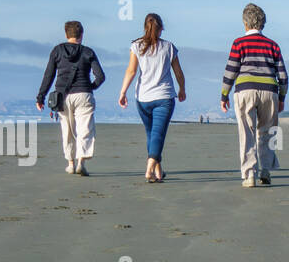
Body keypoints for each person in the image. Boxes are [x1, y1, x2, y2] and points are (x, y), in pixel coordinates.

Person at [220, 3, 288, 188]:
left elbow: (231, 71)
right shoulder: (273, 45)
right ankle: (265, 171)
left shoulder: (239, 43)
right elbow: (282, 75)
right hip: (269, 91)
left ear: (245, 23)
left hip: (245, 90)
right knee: (268, 131)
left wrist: (224, 94)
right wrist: (282, 97)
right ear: (263, 23)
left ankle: (249, 174)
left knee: (246, 132)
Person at [118, 13, 185, 182]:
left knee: (152, 133)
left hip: (143, 97)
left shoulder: (136, 46)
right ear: (161, 29)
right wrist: (182, 88)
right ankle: (149, 170)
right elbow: (178, 72)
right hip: (164, 96)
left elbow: (131, 71)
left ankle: (158, 172)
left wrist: (123, 91)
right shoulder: (168, 47)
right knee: (157, 134)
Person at [36, 21, 105, 175]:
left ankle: (70, 163)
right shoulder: (88, 52)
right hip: (84, 95)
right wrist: (90, 87)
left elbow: (49, 75)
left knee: (67, 129)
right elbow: (100, 76)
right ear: (81, 35)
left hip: (62, 96)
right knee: (84, 129)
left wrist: (40, 97)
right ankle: (82, 162)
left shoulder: (57, 51)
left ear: (66, 34)